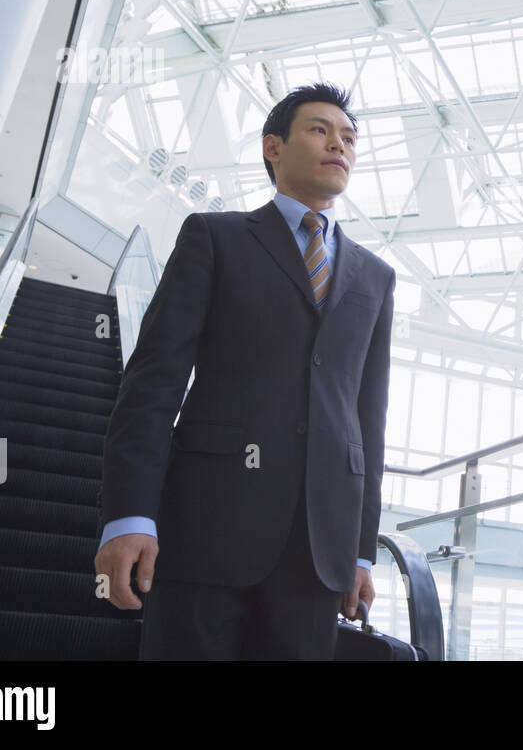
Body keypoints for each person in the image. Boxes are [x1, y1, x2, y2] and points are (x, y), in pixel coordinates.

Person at [94, 82, 395, 659]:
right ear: (272, 148)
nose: (340, 145)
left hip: (317, 553)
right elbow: (153, 384)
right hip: (207, 527)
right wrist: (129, 514)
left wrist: (360, 552)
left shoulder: (376, 278)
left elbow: (367, 421)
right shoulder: (215, 237)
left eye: (350, 137)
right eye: (320, 129)